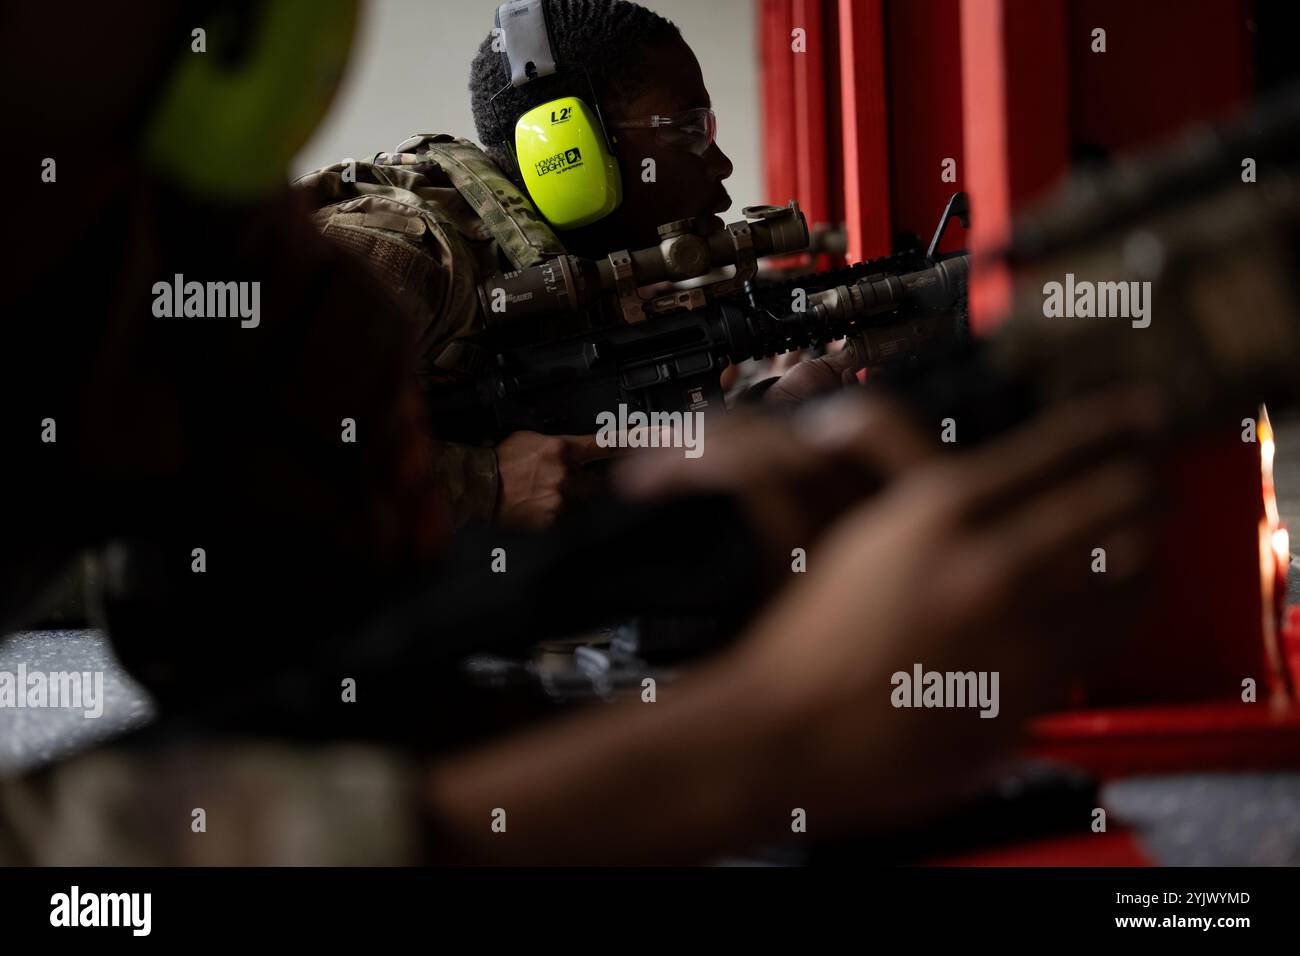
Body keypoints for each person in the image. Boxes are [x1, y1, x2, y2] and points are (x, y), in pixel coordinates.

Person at [294, 0, 856, 530]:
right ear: (571, 150)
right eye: (688, 128)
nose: (722, 162)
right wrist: (484, 487)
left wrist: (766, 416)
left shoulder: (579, 276)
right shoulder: (406, 250)